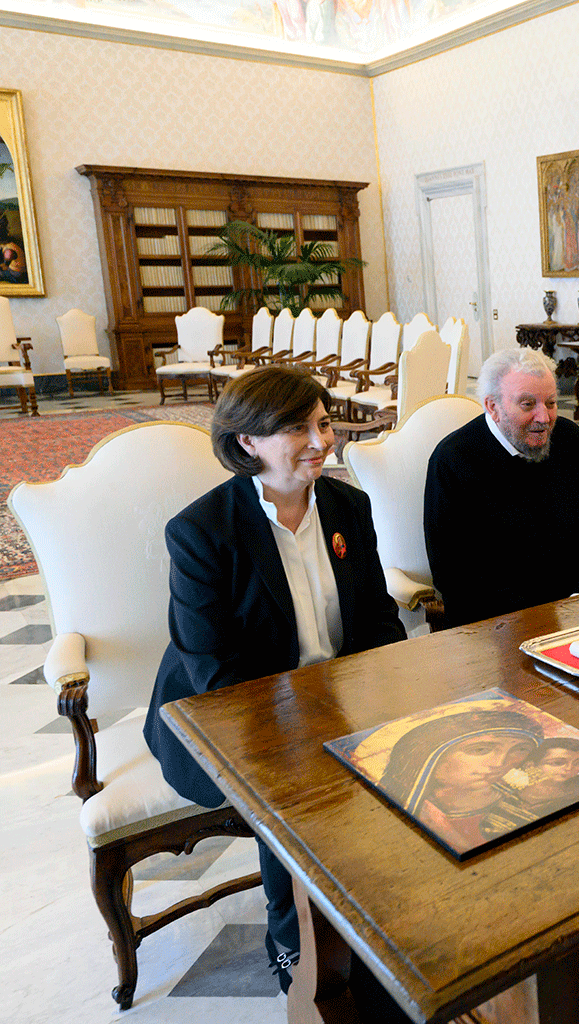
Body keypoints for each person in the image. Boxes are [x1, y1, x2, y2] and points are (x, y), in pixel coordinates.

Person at [142, 365, 407, 1000]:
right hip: (224, 714)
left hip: (330, 696)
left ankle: (384, 918)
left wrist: (398, 691)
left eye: (324, 423)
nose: (321, 441)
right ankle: (296, 945)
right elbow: (216, 671)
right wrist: (312, 723)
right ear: (247, 441)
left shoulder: (347, 506)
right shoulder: (202, 530)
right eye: (296, 428)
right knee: (296, 779)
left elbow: (377, 619)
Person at [424, 346, 579, 627]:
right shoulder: (453, 459)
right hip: (493, 625)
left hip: (573, 610)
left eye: (551, 403)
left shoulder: (569, 439)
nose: (544, 418)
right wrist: (533, 619)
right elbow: (452, 572)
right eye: (528, 405)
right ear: (493, 407)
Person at [376, 707, 543, 852]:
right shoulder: (420, 813)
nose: (499, 763)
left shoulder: (528, 799)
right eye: (480, 749)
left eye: (520, 749)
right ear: (426, 757)